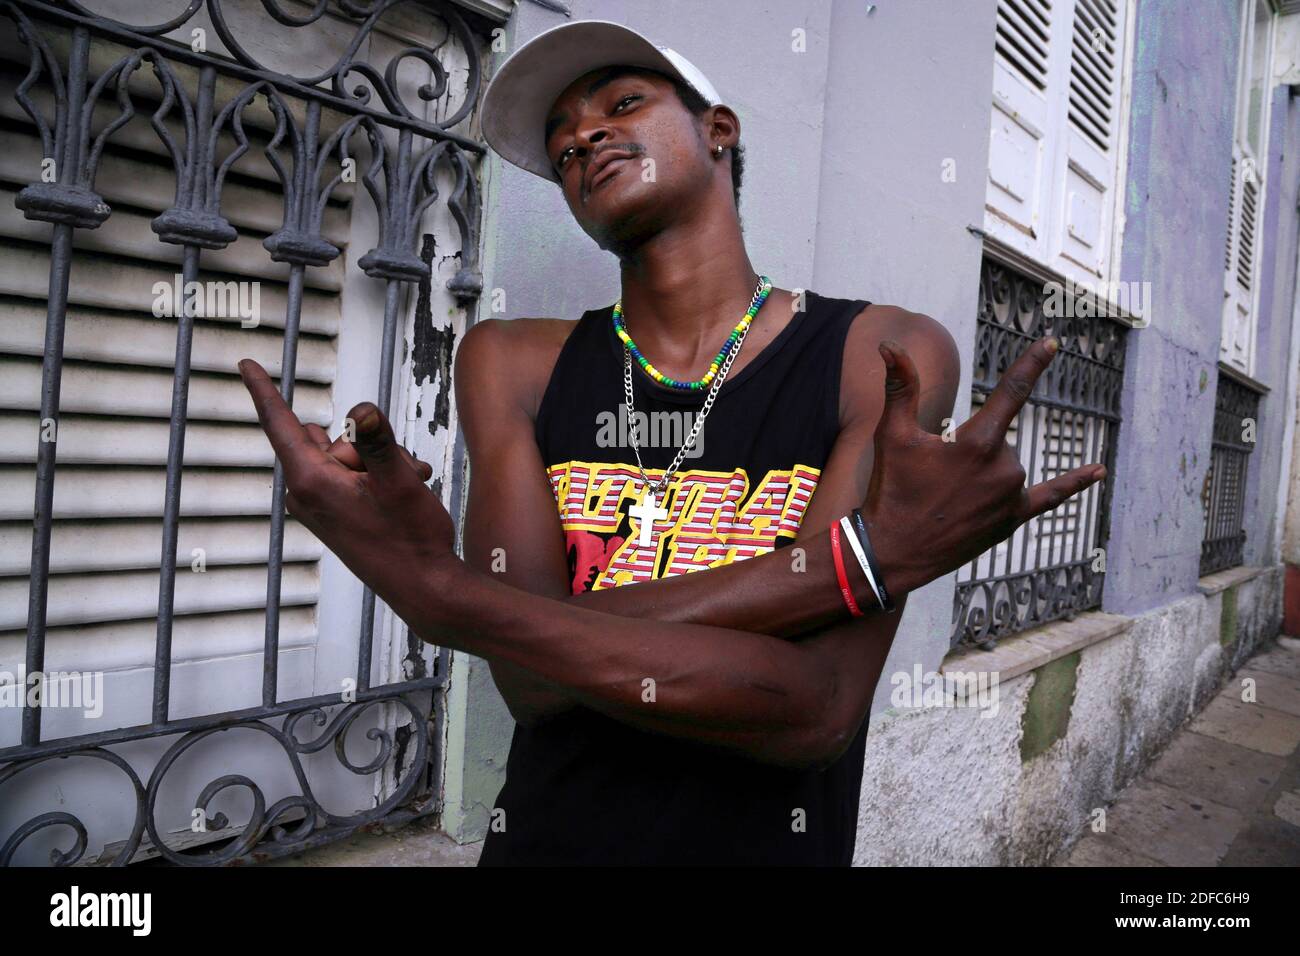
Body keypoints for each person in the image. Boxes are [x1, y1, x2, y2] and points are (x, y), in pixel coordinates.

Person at [236, 20, 1107, 865]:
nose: (583, 138)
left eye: (622, 103)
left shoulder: (881, 355)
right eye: (563, 144)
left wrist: (447, 597)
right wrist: (859, 563)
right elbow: (532, 688)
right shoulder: (510, 362)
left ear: (718, 130)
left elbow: (815, 711)